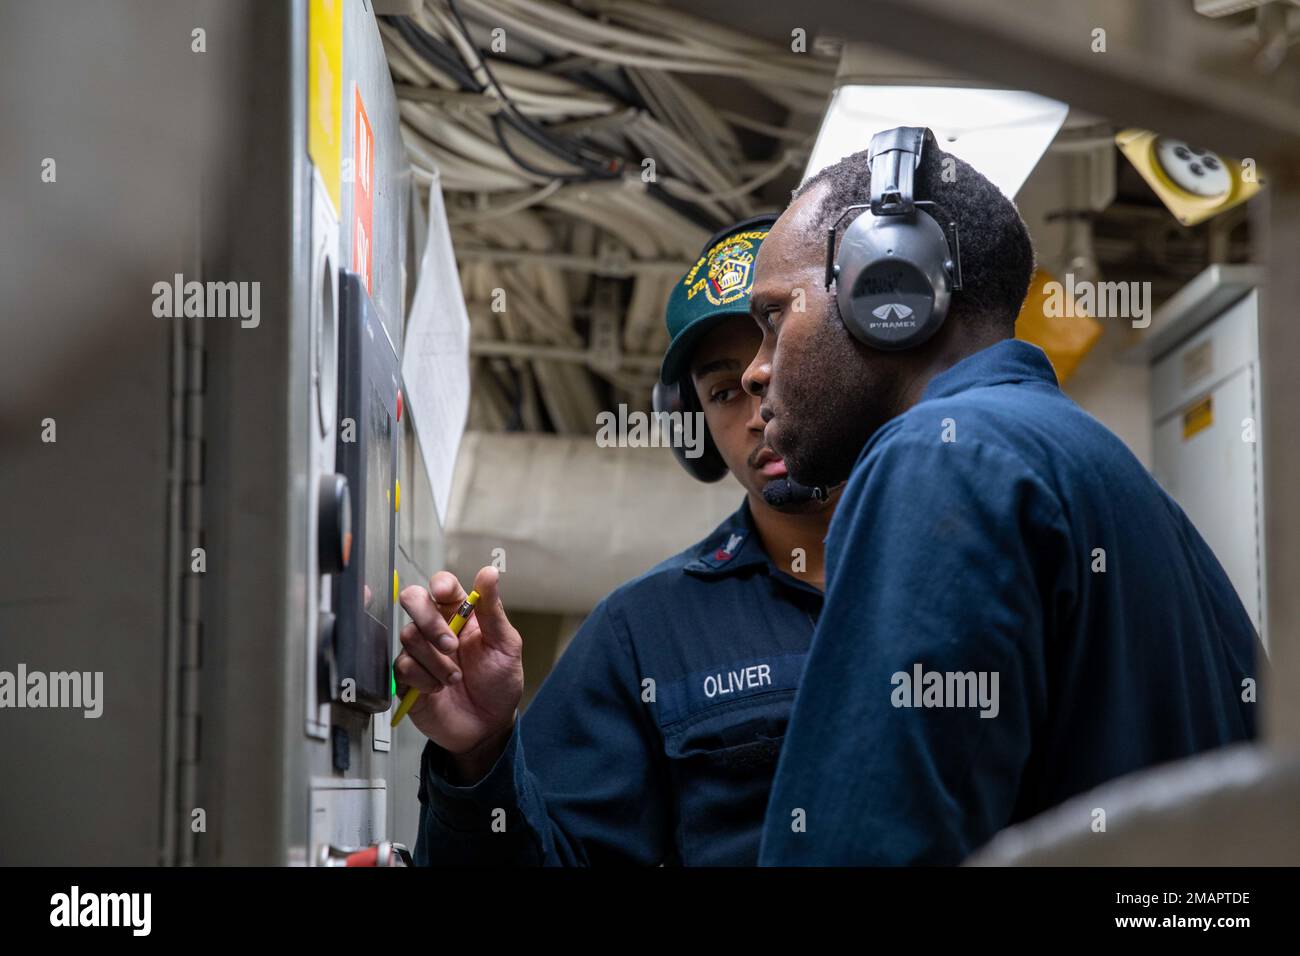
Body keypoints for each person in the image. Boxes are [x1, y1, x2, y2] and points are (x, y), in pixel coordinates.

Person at [743, 128, 1264, 865]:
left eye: (773, 318)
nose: (755, 372)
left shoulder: (938, 456)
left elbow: (859, 846)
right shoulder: (1120, 483)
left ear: (886, 283)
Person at [396, 216, 839, 865]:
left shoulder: (975, 562)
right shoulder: (644, 633)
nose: (757, 412)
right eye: (723, 391)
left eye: (784, 364)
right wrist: (480, 754)